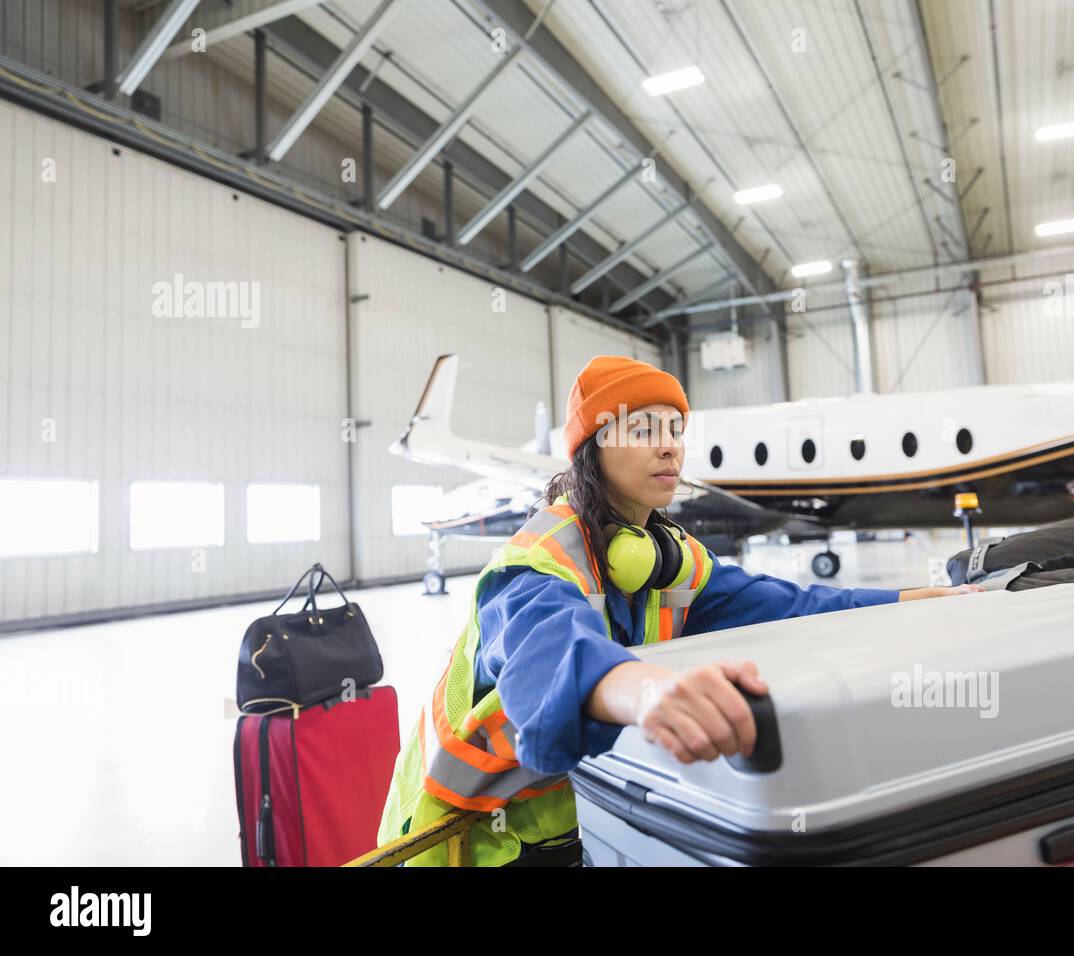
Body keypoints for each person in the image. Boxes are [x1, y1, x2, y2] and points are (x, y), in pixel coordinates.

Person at [376, 355, 979, 866]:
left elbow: (789, 604)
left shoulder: (671, 559)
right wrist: (647, 694)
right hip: (462, 840)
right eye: (642, 430)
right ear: (592, 449)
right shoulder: (536, 560)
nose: (670, 445)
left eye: (675, 428)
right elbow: (549, 654)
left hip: (564, 823)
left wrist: (904, 599)